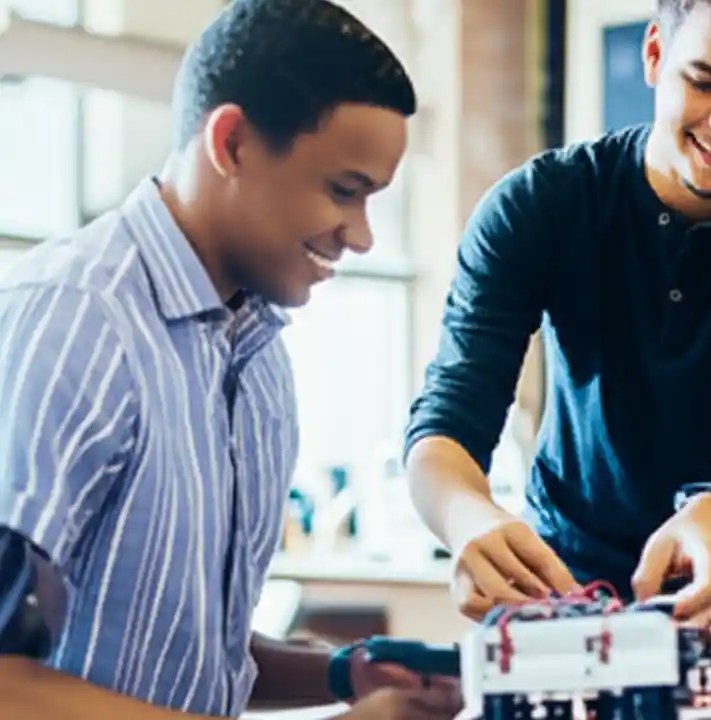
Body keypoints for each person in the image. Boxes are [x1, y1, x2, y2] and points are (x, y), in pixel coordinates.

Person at [0, 1, 460, 718]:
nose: (363, 236)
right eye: (345, 191)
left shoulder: (256, 359)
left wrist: (345, 677)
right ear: (235, 143)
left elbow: (190, 660)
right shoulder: (78, 322)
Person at [405, 0, 711, 625]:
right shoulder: (538, 206)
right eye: (707, 82)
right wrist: (467, 519)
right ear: (655, 55)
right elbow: (448, 419)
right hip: (564, 584)